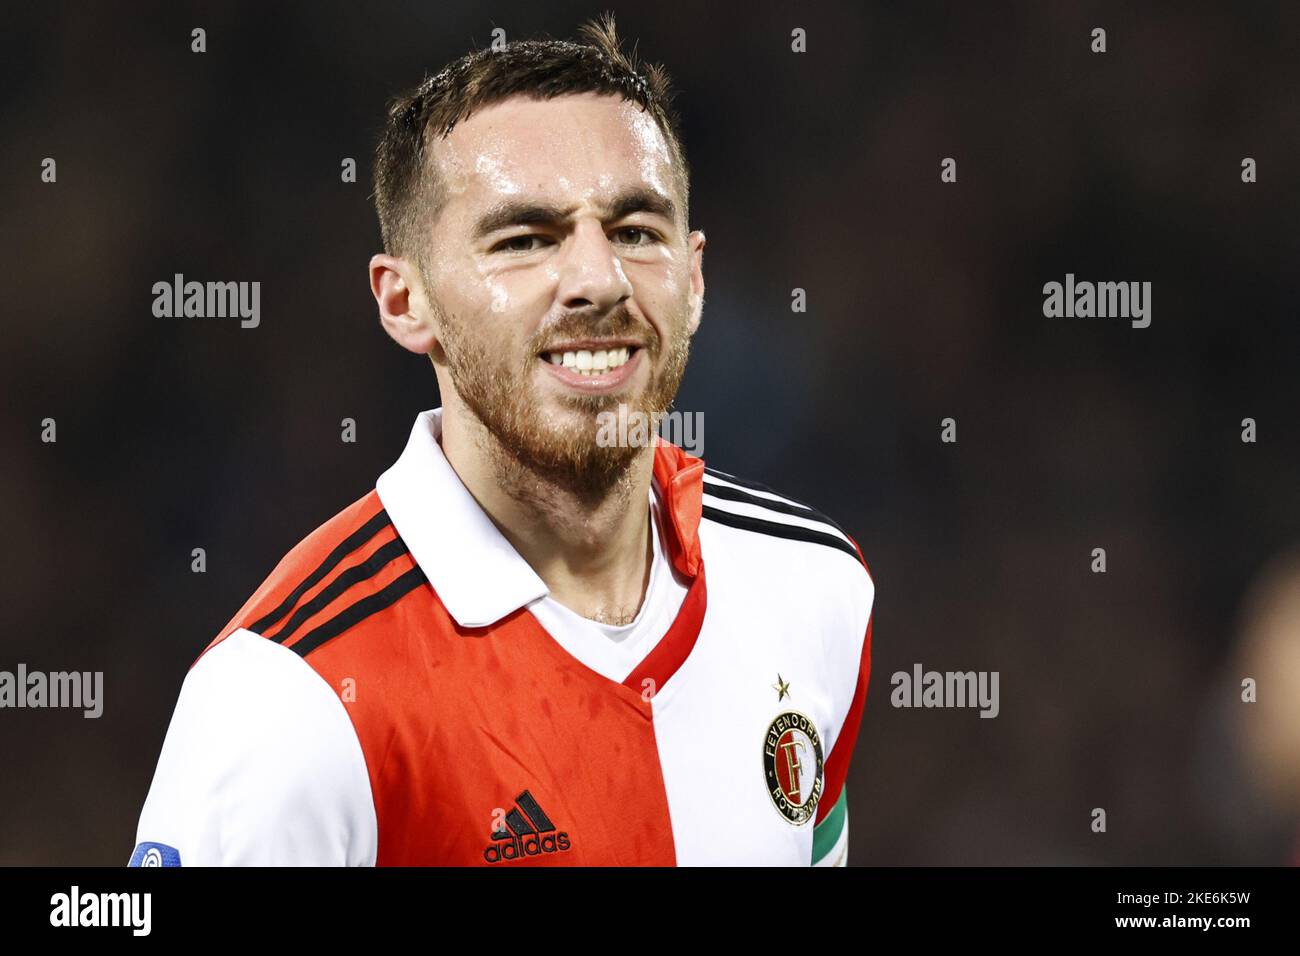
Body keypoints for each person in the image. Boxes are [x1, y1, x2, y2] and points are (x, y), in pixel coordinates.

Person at [129, 12, 874, 867]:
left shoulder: (815, 587)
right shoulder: (287, 700)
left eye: (636, 231)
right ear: (405, 302)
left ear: (695, 276)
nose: (598, 279)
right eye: (524, 240)